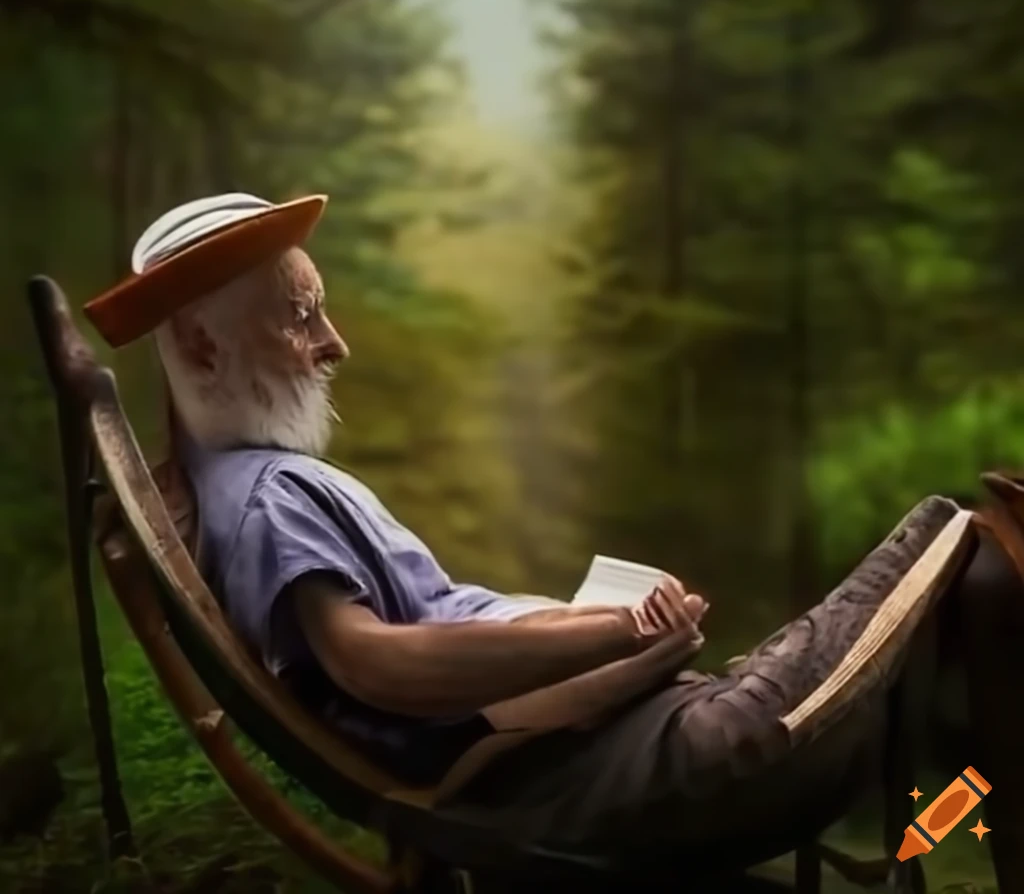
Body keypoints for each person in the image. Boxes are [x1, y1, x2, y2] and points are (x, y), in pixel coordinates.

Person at [84, 193, 1024, 890]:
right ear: (203, 349)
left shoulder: (250, 490)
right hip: (596, 773)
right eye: (301, 315)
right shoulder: (268, 497)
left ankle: (929, 839)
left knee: (971, 611)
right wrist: (611, 633)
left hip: (603, 743)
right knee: (958, 534)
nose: (335, 343)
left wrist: (610, 637)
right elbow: (382, 668)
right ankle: (951, 843)